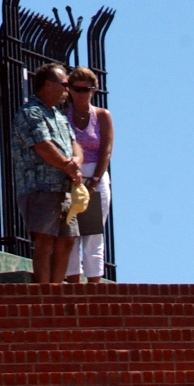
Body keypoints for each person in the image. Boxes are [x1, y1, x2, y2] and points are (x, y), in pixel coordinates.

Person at [11, 64, 83, 284]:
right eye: (64, 84)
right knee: (45, 240)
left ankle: (56, 290)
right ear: (48, 85)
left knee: (67, 241)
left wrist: (76, 160)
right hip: (41, 188)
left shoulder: (59, 116)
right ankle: (44, 292)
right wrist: (66, 165)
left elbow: (74, 143)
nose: (68, 90)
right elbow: (43, 146)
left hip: (65, 189)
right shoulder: (30, 113)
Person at [63, 66, 114, 284]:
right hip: (70, 179)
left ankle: (94, 286)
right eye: (77, 89)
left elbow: (106, 151)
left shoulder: (102, 116)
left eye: (86, 89)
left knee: (92, 234)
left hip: (96, 178)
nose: (81, 94)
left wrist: (94, 182)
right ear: (70, 90)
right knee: (70, 233)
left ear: (94, 90)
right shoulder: (62, 117)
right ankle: (74, 285)